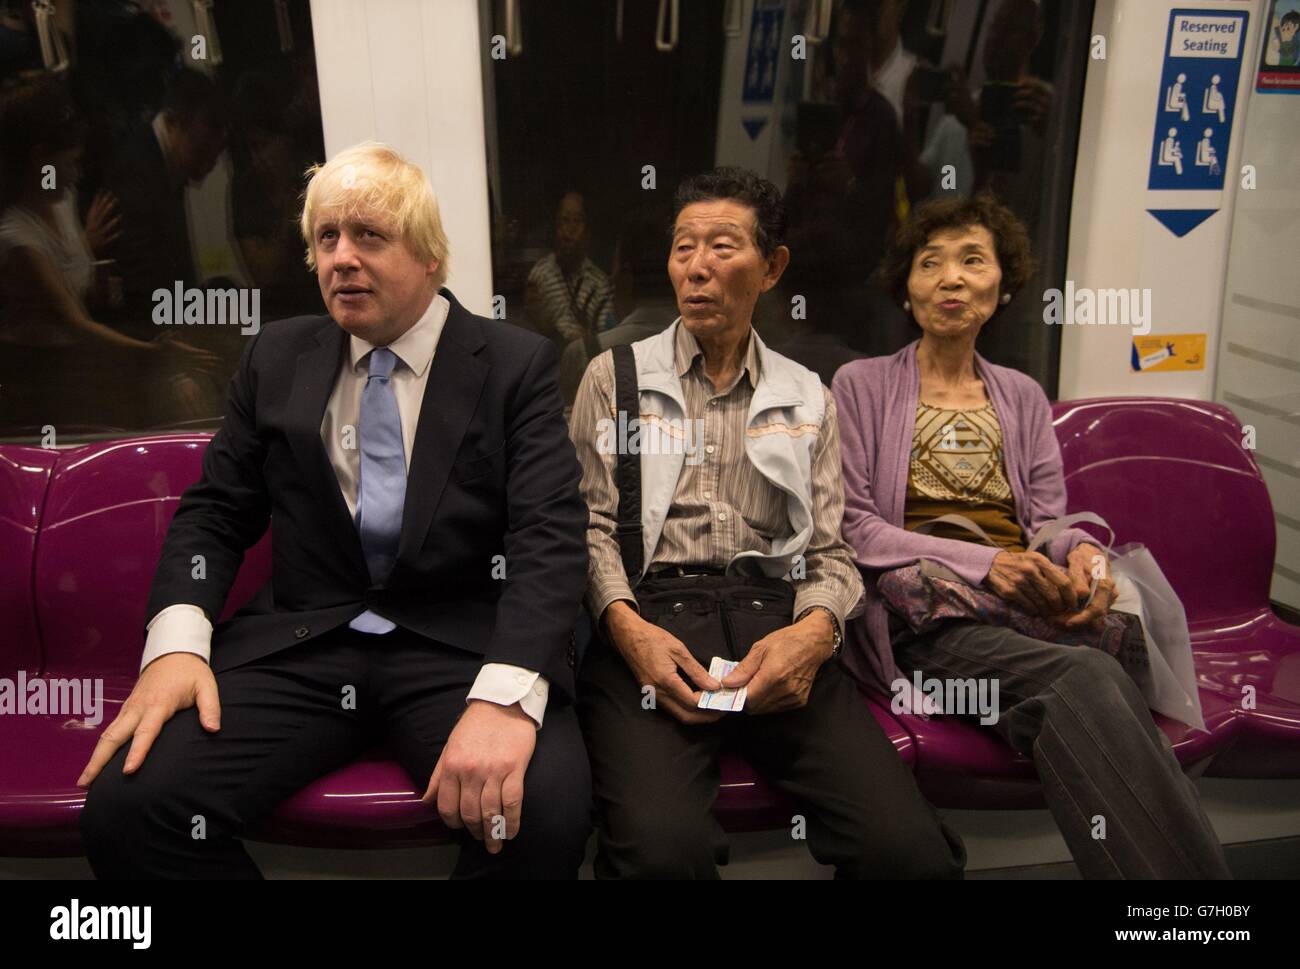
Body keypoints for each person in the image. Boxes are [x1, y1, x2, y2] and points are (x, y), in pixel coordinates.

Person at [78, 142, 593, 879]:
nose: (341, 258)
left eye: (369, 236)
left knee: (540, 811)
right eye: (326, 239)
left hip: (457, 646)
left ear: (430, 257)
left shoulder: (513, 366)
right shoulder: (276, 357)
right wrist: (179, 645)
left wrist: (506, 696)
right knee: (130, 810)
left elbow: (549, 536)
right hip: (304, 641)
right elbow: (216, 511)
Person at [568, 167, 964, 879]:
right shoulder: (613, 380)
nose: (697, 267)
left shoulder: (804, 393)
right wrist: (628, 631)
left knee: (910, 852)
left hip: (777, 626)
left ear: (773, 266)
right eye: (684, 247)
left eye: (723, 247)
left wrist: (814, 635)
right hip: (652, 624)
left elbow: (830, 552)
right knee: (661, 852)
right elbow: (590, 528)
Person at [831, 193, 1231, 879]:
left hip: (1017, 604)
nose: (950, 278)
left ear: (1003, 286)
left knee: (1093, 667)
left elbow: (1049, 520)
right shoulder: (861, 384)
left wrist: (1079, 554)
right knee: (1085, 674)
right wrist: (991, 564)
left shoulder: (1020, 394)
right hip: (925, 610)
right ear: (907, 286)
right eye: (930, 263)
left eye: (971, 260)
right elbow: (856, 524)